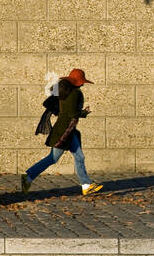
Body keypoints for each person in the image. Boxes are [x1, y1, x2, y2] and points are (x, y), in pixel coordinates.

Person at [21, 68, 104, 196]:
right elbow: (71, 113)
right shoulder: (75, 93)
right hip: (65, 132)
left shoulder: (64, 91)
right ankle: (28, 176)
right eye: (81, 82)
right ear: (78, 82)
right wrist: (83, 113)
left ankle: (86, 185)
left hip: (67, 130)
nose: (82, 84)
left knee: (79, 157)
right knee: (53, 158)